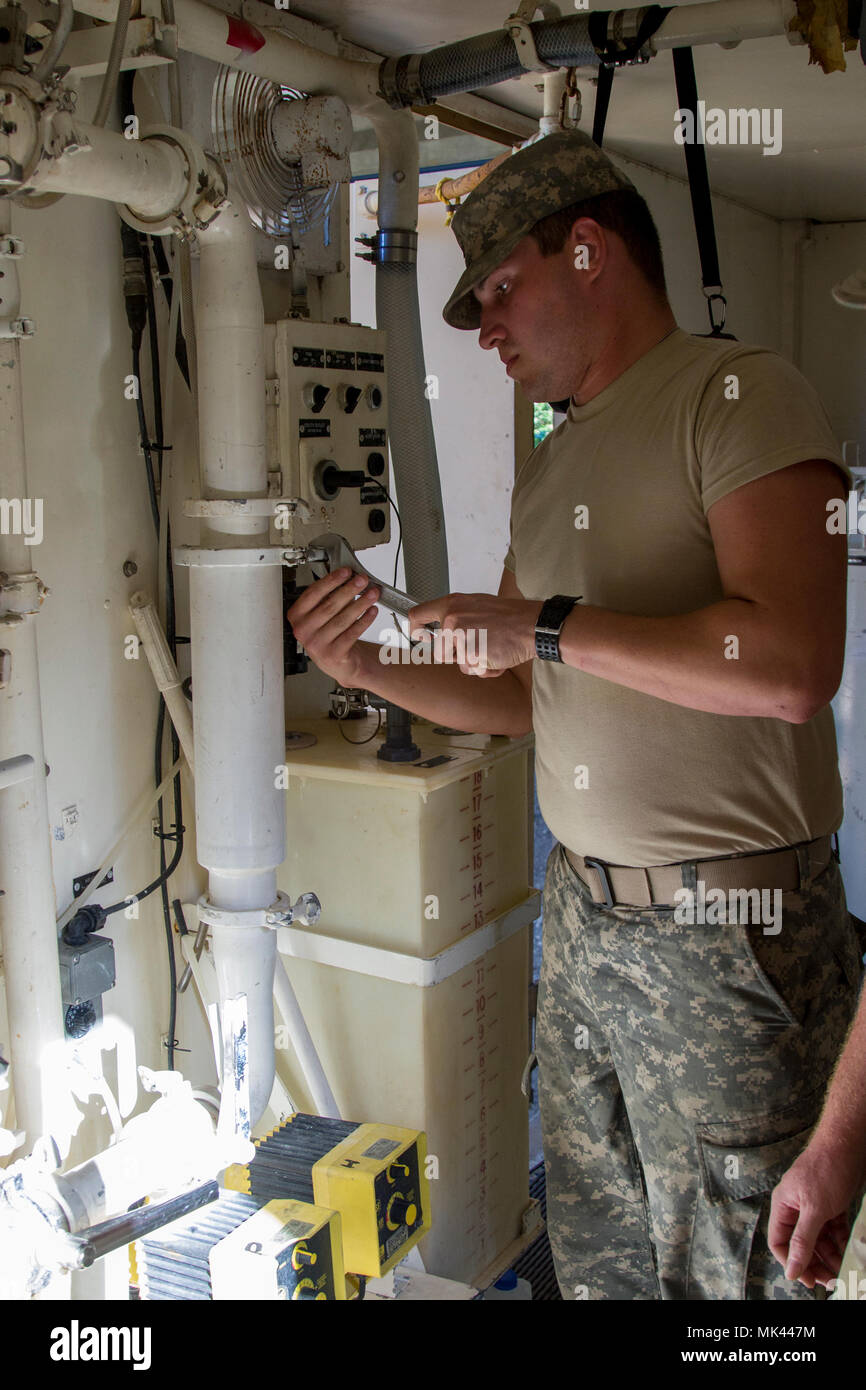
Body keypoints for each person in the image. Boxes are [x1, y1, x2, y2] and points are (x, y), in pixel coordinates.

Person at [285, 127, 863, 1299]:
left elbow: (795, 661)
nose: (486, 328)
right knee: (596, 1255)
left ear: (588, 252)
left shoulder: (736, 395)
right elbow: (513, 697)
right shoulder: (552, 464)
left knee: (737, 1277)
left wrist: (542, 620)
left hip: (727, 930)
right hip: (587, 919)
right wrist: (369, 663)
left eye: (500, 289)